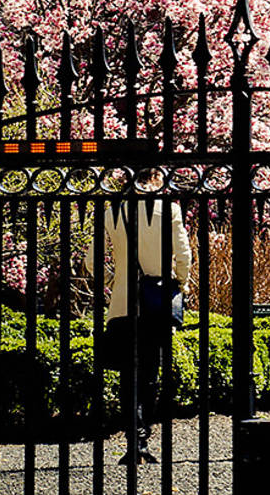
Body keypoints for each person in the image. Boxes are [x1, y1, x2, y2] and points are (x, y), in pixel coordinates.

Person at [85, 168, 191, 464]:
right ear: (158, 181)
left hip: (122, 305)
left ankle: (133, 440)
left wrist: (114, 281)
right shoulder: (169, 210)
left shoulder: (112, 212)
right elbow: (183, 255)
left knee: (127, 376)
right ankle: (143, 442)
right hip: (156, 306)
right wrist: (178, 285)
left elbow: (91, 260)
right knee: (150, 375)